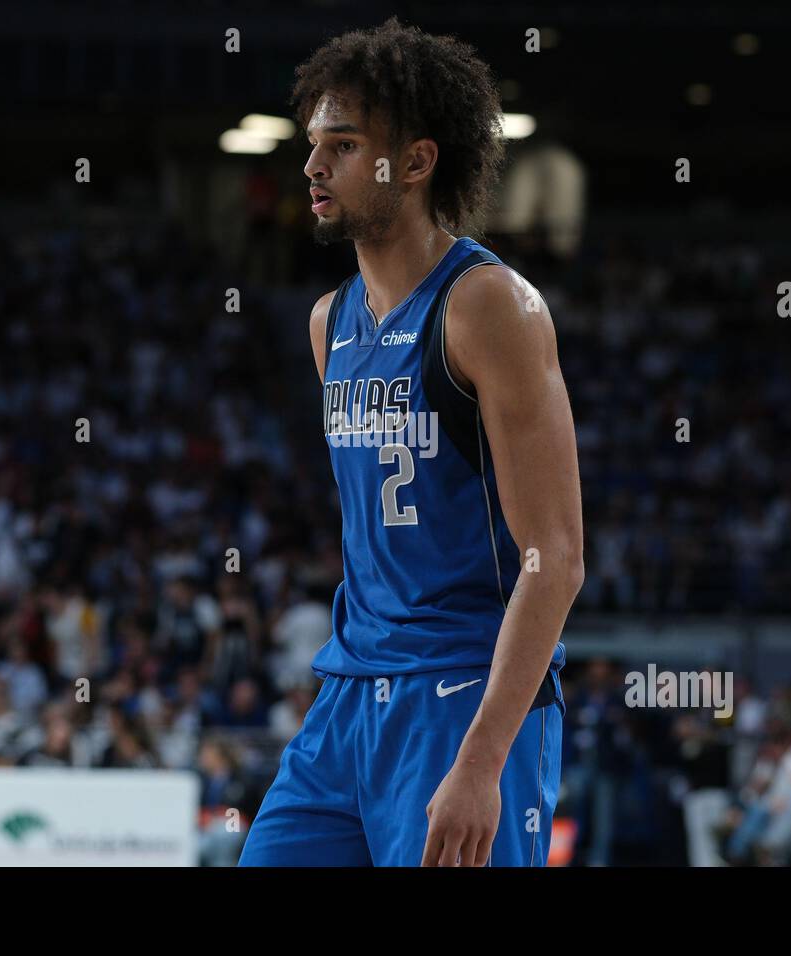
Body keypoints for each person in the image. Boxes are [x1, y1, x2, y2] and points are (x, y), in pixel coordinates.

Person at [240, 18, 583, 867]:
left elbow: (557, 556)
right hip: (347, 699)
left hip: (462, 699)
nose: (314, 166)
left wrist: (482, 758)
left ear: (417, 162)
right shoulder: (329, 322)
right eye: (314, 143)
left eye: (345, 145)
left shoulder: (488, 305)